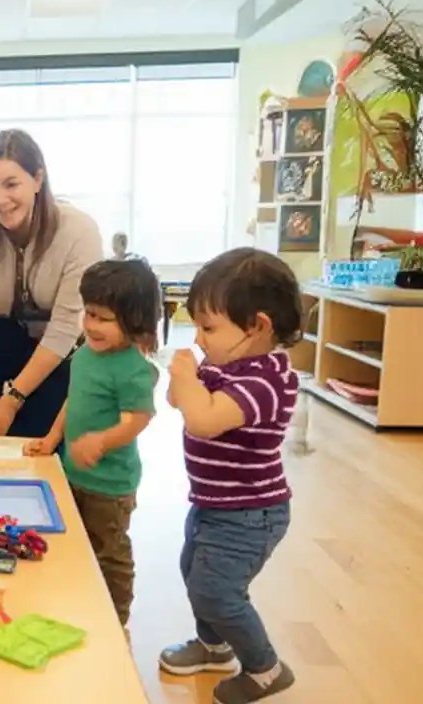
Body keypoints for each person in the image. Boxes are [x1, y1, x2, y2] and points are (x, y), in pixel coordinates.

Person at [159, 248, 302, 704]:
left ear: (258, 326)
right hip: (214, 503)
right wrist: (186, 382)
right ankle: (213, 647)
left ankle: (265, 669)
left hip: (250, 514)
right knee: (194, 574)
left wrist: (186, 378)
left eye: (208, 327)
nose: (199, 339)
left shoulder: (264, 381)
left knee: (217, 591)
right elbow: (180, 403)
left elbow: (202, 419)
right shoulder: (229, 367)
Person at [23, 259, 160, 628]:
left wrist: (102, 440)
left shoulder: (133, 368)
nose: (91, 325)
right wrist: (53, 438)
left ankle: (115, 623)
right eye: (89, 314)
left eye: (103, 318)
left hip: (110, 487)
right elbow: (74, 399)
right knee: (74, 544)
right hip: (73, 472)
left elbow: (139, 418)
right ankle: (78, 604)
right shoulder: (85, 354)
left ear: (134, 321)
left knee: (110, 554)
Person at [0, 129, 104, 438]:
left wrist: (14, 397)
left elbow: (65, 329)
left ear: (38, 179)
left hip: (62, 357)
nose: (1, 200)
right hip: (3, 347)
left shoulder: (78, 231)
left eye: (11, 185)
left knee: (34, 430)